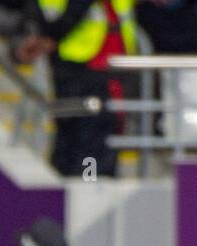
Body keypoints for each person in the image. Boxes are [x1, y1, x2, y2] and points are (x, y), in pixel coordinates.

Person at [18, 0, 139, 177]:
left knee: (76, 136)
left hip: (100, 63)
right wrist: (50, 36)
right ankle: (87, 188)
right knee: (89, 141)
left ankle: (69, 189)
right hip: (86, 63)